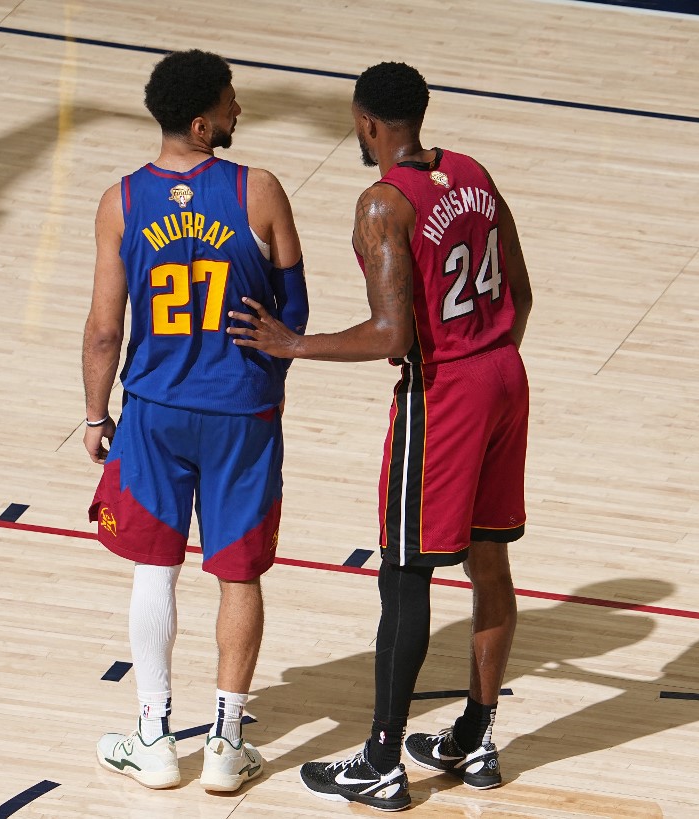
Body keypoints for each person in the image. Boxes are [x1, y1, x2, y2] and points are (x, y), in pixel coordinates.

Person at [228, 61, 532, 811]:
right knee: (488, 560)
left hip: (449, 393)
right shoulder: (473, 173)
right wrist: (487, 350)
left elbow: (392, 334)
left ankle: (382, 760)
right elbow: (520, 293)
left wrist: (290, 343)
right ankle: (476, 736)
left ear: (367, 125)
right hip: (505, 373)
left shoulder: (380, 205)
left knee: (405, 574)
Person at [81, 49, 308, 792]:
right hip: (241, 412)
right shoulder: (260, 190)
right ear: (204, 119)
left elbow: (105, 330)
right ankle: (223, 743)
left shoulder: (120, 201)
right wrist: (261, 377)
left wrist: (94, 413)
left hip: (153, 410)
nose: (241, 110)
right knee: (238, 573)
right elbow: (294, 314)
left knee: (157, 566)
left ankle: (153, 738)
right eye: (232, 100)